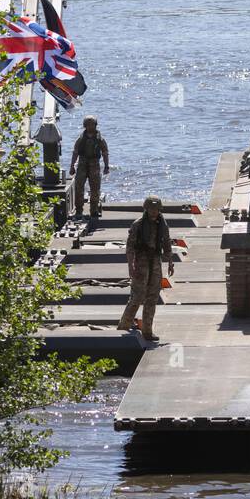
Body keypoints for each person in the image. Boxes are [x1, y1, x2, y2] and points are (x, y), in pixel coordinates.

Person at [117, 195, 176, 342]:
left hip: (155, 261)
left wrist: (169, 262)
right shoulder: (138, 225)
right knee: (137, 296)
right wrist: (131, 265)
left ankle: (147, 331)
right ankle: (124, 326)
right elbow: (130, 247)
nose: (154, 212)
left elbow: (166, 243)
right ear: (146, 208)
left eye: (156, 209)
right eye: (151, 209)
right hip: (141, 261)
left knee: (152, 297)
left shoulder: (162, 224)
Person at [69, 115, 110, 218]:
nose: (90, 126)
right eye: (88, 124)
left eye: (92, 124)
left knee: (95, 189)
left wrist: (106, 166)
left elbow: (105, 152)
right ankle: (79, 210)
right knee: (79, 188)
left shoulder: (100, 139)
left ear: (95, 125)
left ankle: (94, 210)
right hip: (82, 164)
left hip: (94, 165)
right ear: (85, 125)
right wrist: (72, 166)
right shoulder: (81, 139)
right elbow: (75, 152)